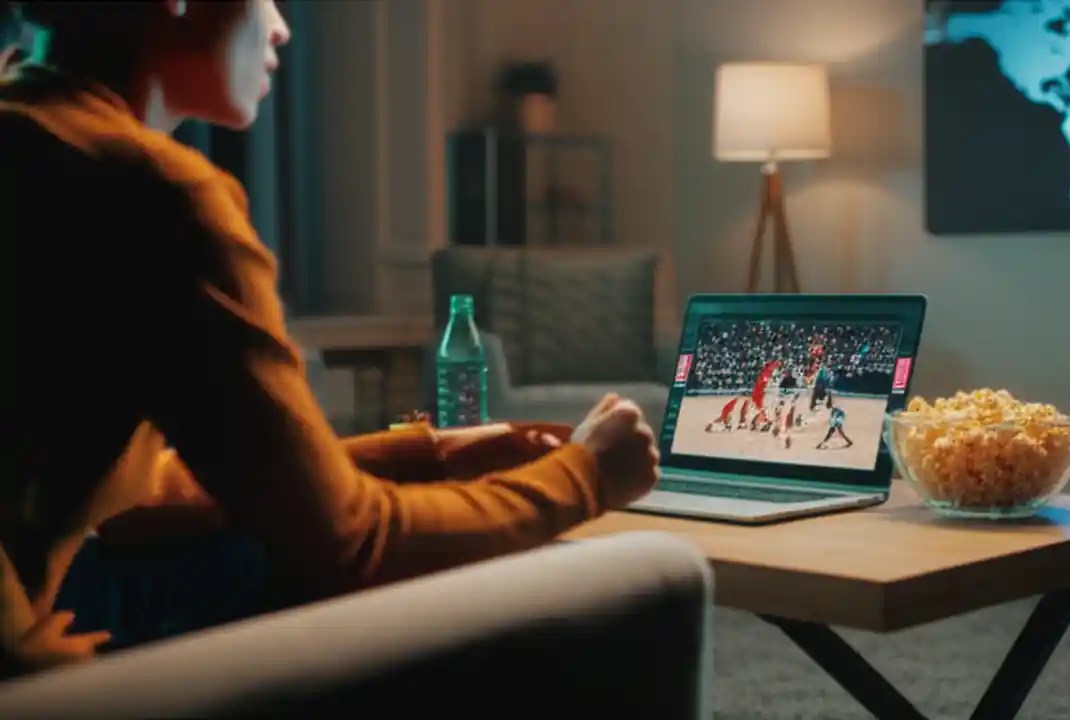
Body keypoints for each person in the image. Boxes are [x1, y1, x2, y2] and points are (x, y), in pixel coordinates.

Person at [0, 0, 659, 678]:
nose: (282, 26)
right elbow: (352, 549)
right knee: (633, 584)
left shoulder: (31, 134)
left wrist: (425, 453)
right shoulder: (155, 193)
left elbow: (127, 499)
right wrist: (587, 475)